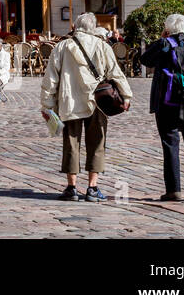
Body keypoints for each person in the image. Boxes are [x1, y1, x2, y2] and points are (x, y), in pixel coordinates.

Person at [40, 12, 132, 202]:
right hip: (97, 101)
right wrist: (126, 95)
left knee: (71, 143)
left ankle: (71, 187)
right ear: (93, 28)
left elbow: (51, 78)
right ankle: (92, 187)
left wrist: (47, 104)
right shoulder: (102, 46)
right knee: (97, 142)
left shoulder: (62, 46)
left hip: (69, 101)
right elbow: (115, 72)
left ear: (75, 27)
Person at [141, 13, 184, 202]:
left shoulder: (163, 45)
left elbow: (144, 60)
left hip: (167, 104)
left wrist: (162, 39)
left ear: (166, 29)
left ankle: (174, 190)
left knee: (170, 145)